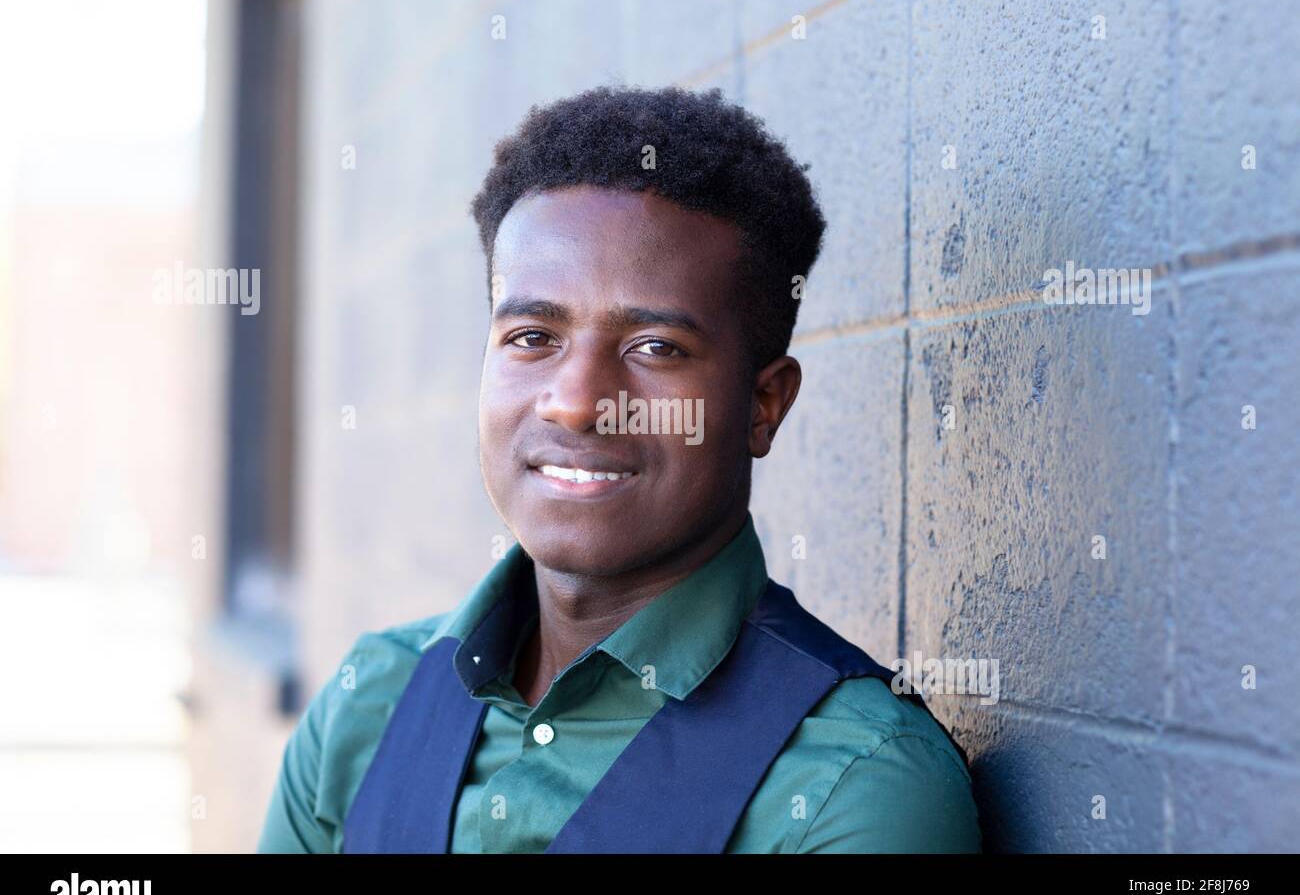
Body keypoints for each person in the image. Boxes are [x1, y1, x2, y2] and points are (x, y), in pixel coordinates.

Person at [257, 84, 981, 853]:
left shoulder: (853, 785)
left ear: (763, 405)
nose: (575, 404)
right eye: (532, 337)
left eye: (655, 349)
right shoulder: (366, 706)